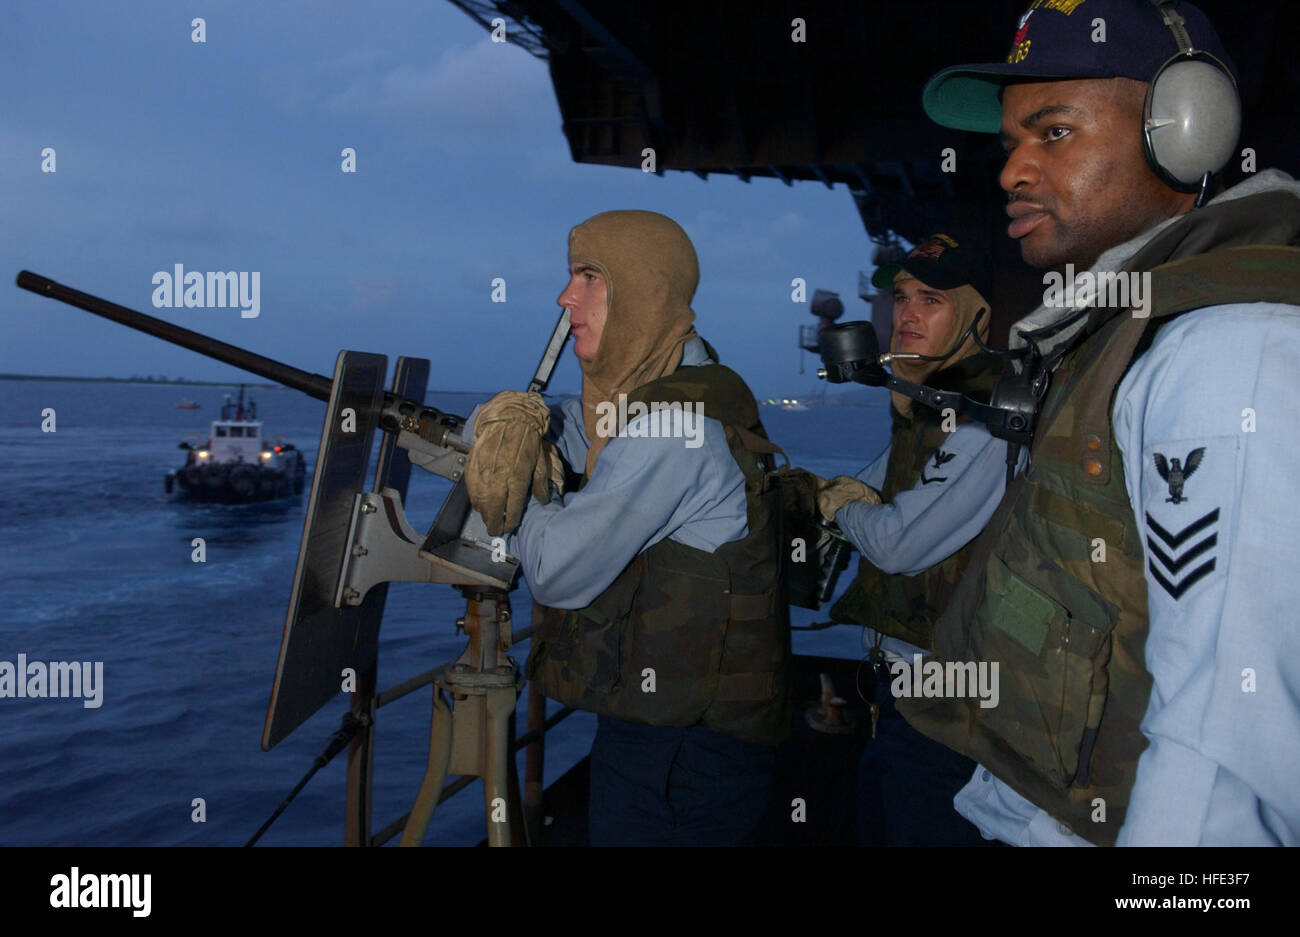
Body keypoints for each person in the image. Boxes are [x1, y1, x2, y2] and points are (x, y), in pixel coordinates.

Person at [895, 0, 1300, 845]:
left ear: (1187, 131)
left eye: (1054, 133)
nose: (1010, 172)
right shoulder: (1125, 327)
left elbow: (1221, 771)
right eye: (1010, 145)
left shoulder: (1229, 351)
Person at [464, 209, 790, 846]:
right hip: (678, 722)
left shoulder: (676, 430)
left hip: (684, 749)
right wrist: (500, 422)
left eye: (590, 276)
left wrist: (522, 486)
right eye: (570, 276)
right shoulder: (686, 386)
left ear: (643, 290)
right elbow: (579, 431)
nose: (566, 298)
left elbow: (557, 572)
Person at [813, 233, 1022, 845]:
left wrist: (845, 511)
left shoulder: (988, 415)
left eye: (931, 300)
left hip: (949, 700)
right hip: (902, 692)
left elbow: (897, 540)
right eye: (902, 298)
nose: (906, 314)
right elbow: (869, 486)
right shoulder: (928, 405)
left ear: (973, 315)